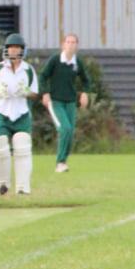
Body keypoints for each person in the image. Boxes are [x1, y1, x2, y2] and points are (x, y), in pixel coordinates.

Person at [0, 33, 38, 196]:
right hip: (2, 112)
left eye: (17, 48)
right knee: (0, 147)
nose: (14, 51)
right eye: (11, 48)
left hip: (22, 112)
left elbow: (35, 92)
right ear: (6, 50)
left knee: (22, 147)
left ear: (22, 50)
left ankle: (23, 187)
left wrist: (25, 92)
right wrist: (0, 92)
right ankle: (2, 185)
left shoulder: (28, 70)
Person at [39, 33, 93, 173]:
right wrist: (45, 93)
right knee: (64, 128)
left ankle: (64, 161)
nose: (70, 44)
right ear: (63, 44)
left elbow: (86, 80)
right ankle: (60, 163)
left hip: (70, 102)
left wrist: (84, 94)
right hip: (56, 101)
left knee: (70, 131)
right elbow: (43, 77)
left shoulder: (77, 63)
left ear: (77, 45)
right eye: (68, 42)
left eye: (73, 42)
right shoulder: (55, 60)